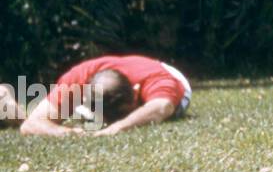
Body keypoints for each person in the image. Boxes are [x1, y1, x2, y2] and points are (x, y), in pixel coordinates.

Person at [15, 54, 192, 137]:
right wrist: (69, 133)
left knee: (163, 113)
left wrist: (117, 128)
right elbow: (30, 125)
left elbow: (162, 107)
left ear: (136, 92)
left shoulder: (159, 80)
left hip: (171, 75)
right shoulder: (77, 79)